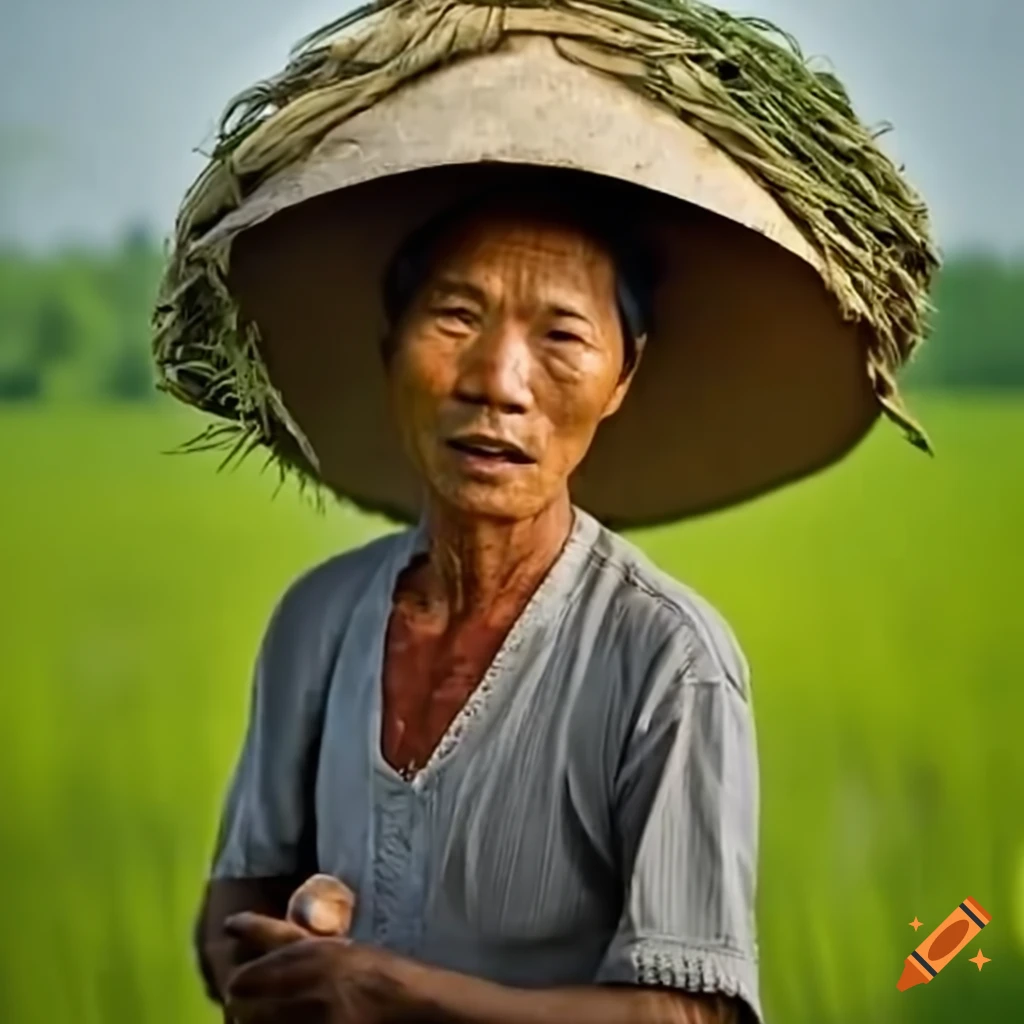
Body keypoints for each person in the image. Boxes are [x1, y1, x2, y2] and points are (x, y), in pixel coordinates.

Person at [152, 3, 936, 1022]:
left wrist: (385, 987)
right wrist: (283, 942)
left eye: (561, 335)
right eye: (456, 316)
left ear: (622, 376)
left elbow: (685, 1013)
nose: (498, 381)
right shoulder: (317, 620)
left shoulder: (666, 659)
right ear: (391, 344)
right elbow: (237, 896)